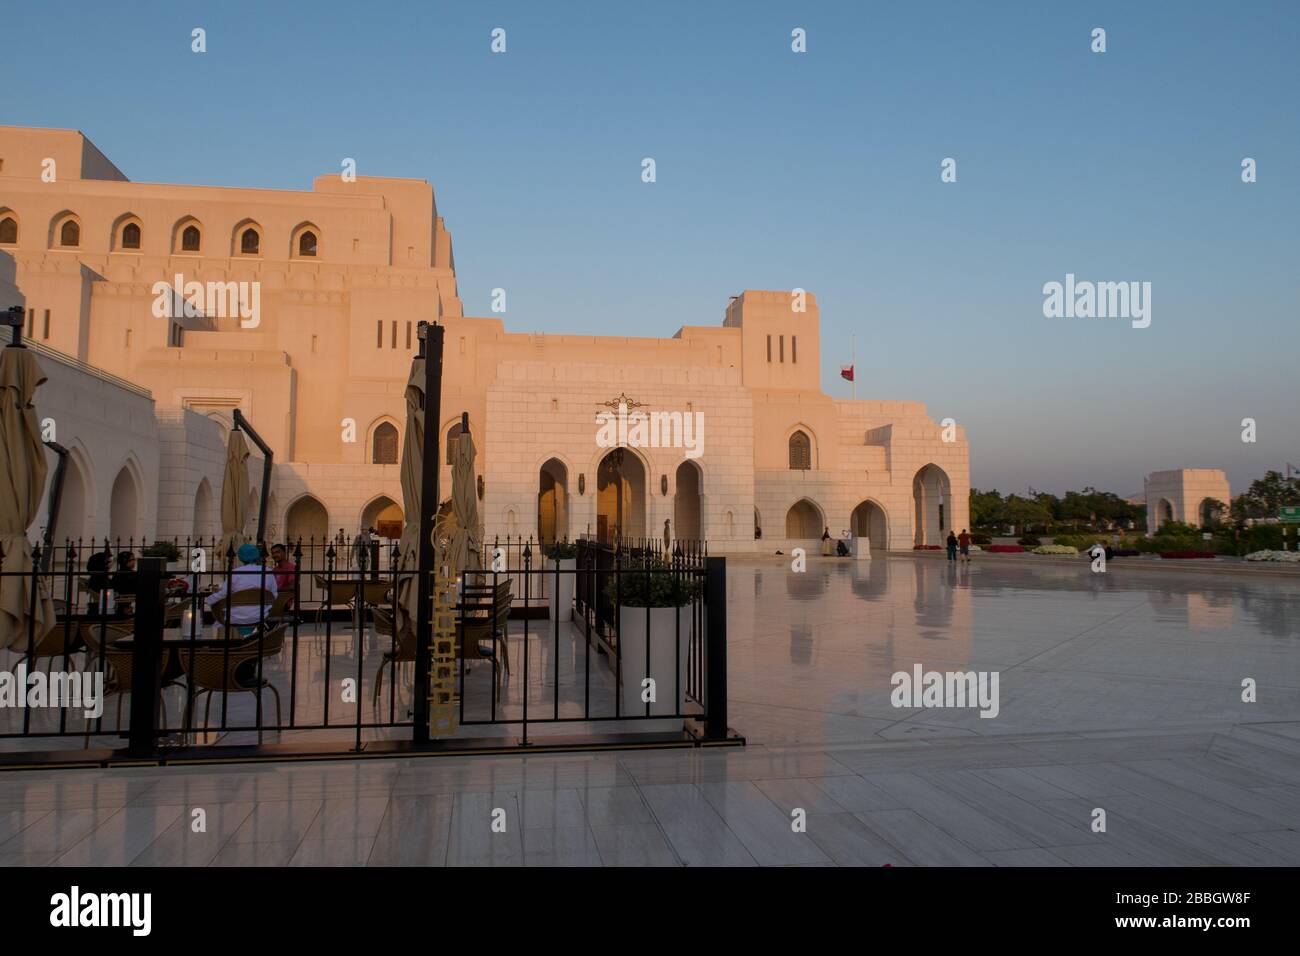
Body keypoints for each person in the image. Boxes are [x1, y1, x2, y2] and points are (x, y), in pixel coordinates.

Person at [205, 542, 277, 637]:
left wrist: (209, 600)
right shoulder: (267, 571)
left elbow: (223, 594)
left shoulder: (235, 573)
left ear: (240, 557)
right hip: (260, 616)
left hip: (234, 617)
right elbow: (274, 594)